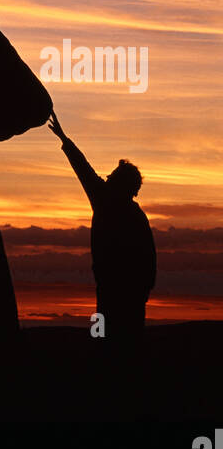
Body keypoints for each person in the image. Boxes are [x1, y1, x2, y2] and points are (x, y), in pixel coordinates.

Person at [48, 111, 156, 339]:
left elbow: (83, 169)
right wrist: (64, 139)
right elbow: (150, 258)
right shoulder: (137, 215)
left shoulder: (105, 200)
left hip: (115, 290)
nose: (106, 176)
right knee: (127, 343)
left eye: (112, 175)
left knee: (110, 343)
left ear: (120, 183)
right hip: (129, 292)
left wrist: (64, 139)